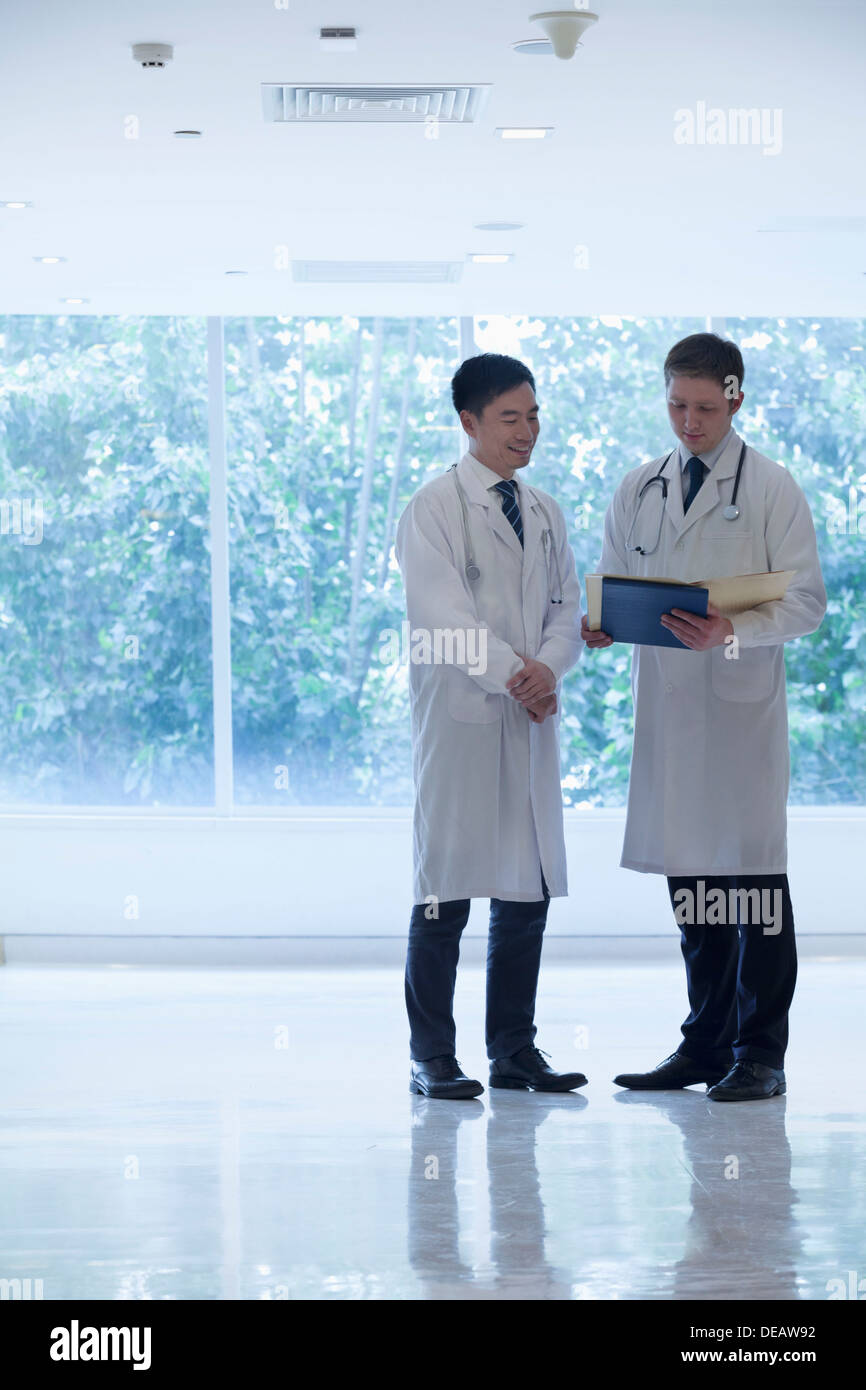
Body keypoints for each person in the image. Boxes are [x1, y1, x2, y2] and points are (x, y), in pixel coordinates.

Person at [582, 332, 826, 1101]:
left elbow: (807, 603)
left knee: (753, 890)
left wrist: (734, 630)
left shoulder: (772, 488)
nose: (689, 423)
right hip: (671, 712)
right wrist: (601, 623)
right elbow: (619, 581)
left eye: (706, 408)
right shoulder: (640, 487)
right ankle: (703, 1045)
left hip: (740, 713)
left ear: (737, 399)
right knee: (693, 890)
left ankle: (760, 1054)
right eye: (677, 406)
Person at [395, 353, 585, 1099]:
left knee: (524, 892)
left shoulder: (543, 513)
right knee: (444, 892)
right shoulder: (433, 508)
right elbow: (440, 616)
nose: (527, 431)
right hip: (464, 722)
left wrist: (549, 669)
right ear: (469, 423)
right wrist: (518, 673)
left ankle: (514, 1052)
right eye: (511, 417)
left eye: (533, 415)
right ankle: (431, 1057)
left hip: (527, 719)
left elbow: (567, 609)